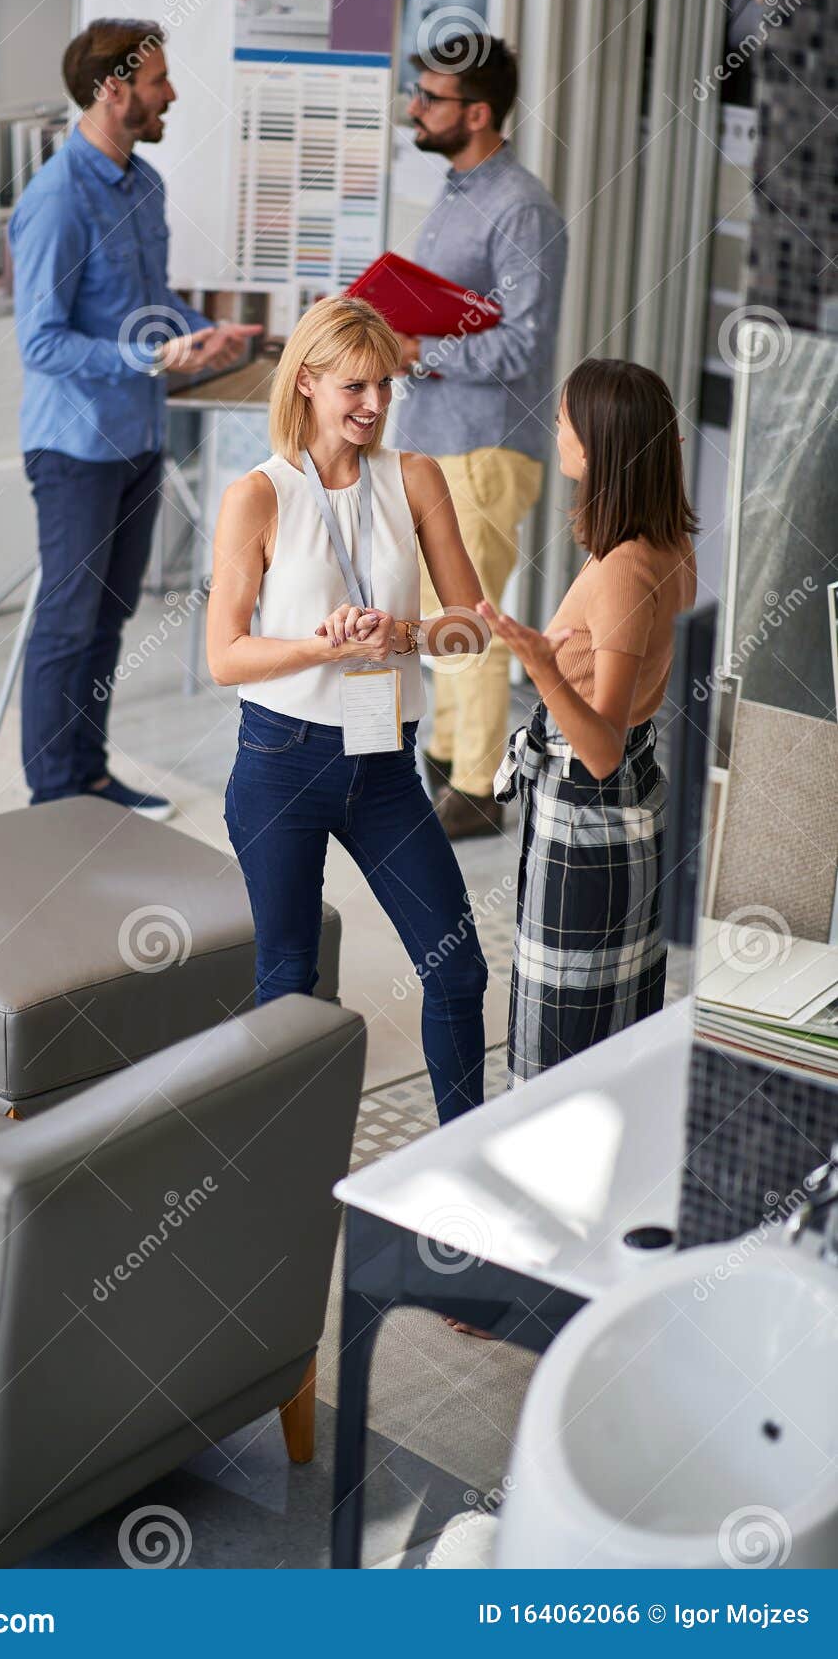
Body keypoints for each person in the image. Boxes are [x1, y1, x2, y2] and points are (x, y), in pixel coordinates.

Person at [206, 297, 494, 1127]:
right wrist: (321, 647)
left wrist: (401, 632)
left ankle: (460, 1148)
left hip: (385, 768)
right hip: (280, 764)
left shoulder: (414, 478)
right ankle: (279, 1172)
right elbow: (226, 656)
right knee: (289, 984)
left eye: (386, 386)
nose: (374, 404)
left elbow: (473, 625)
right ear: (306, 383)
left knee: (457, 969)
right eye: (355, 388)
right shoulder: (256, 497)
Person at [10, 19, 260, 815]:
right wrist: (148, 358)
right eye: (157, 81)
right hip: (75, 447)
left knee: (111, 618)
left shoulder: (144, 184)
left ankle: (88, 776)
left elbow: (148, 305)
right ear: (111, 90)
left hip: (141, 437)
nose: (171, 94)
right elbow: (40, 342)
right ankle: (53, 798)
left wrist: (196, 331)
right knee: (67, 621)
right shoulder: (55, 199)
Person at [478, 358, 698, 1086]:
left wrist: (538, 663)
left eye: (565, 422)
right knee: (614, 1039)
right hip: (628, 807)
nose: (555, 430)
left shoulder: (623, 571)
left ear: (600, 447)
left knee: (556, 1052)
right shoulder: (667, 545)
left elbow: (598, 748)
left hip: (590, 816)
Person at [393, 34, 567, 841]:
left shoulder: (520, 207)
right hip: (436, 437)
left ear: (477, 113)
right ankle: (446, 761)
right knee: (439, 613)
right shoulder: (460, 189)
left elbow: (522, 345)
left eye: (428, 99)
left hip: (487, 445)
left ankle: (476, 791)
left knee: (472, 617)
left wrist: (417, 350)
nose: (413, 109)